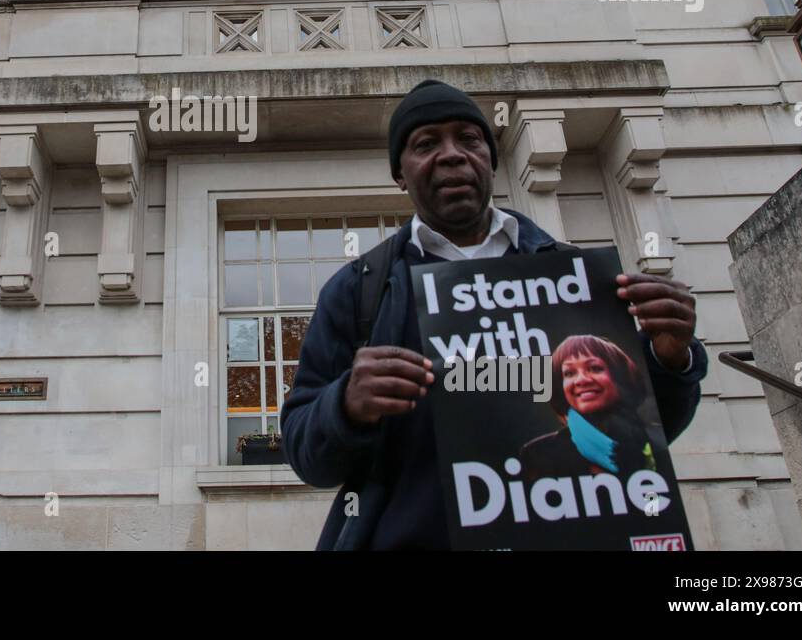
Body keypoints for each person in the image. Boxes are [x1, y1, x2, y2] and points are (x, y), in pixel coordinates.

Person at [281, 79, 708, 550]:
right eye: (425, 144)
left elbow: (651, 430)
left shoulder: (578, 278)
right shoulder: (357, 290)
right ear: (399, 174)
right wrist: (344, 405)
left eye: (469, 138)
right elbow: (307, 456)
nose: (451, 154)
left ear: (490, 158)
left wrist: (672, 361)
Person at [519, 335, 658, 482]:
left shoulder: (654, 440)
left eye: (594, 368)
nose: (581, 380)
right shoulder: (538, 454)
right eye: (569, 373)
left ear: (620, 378)